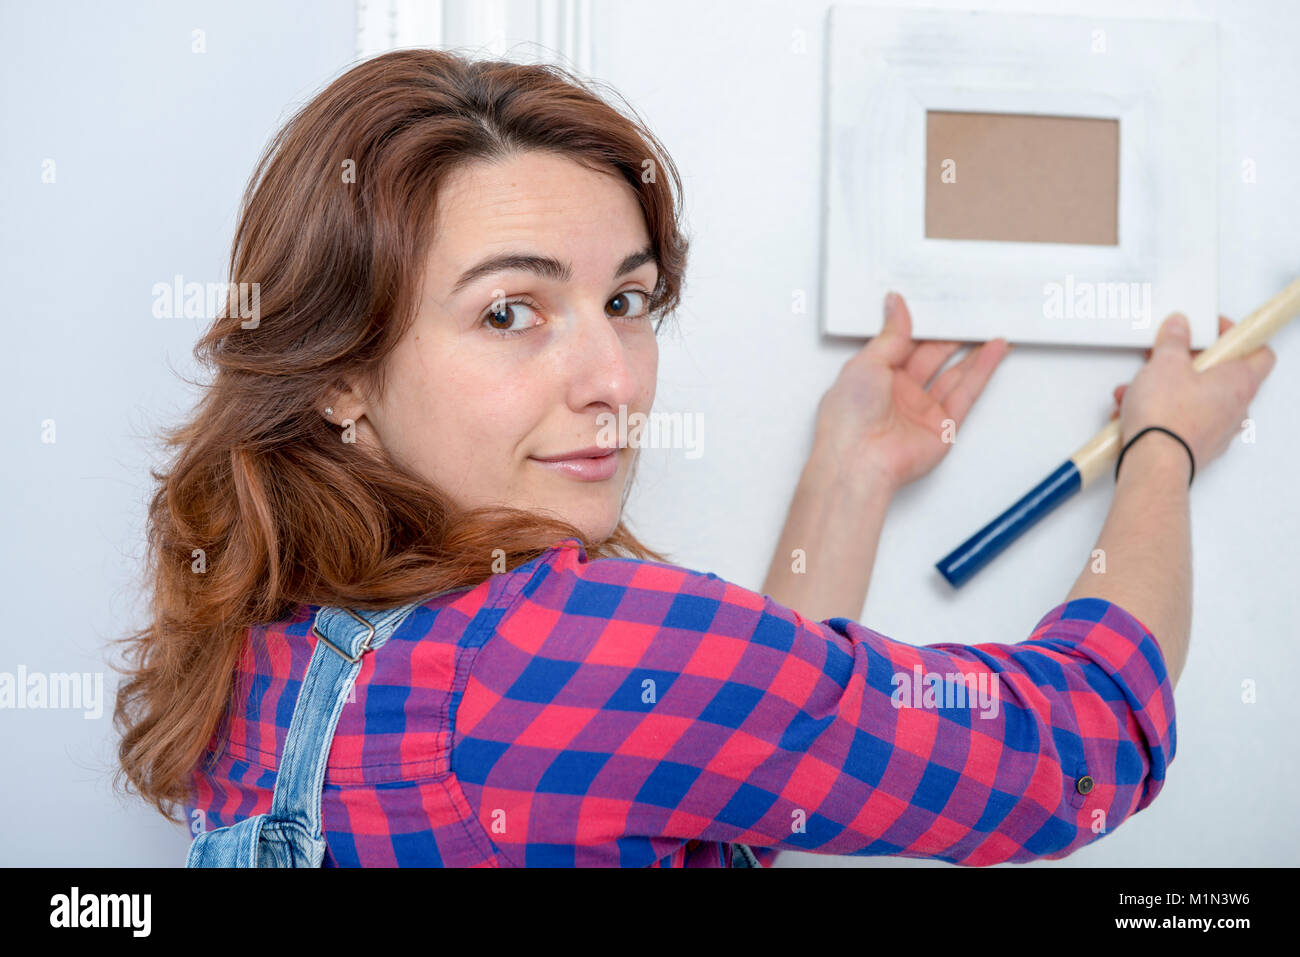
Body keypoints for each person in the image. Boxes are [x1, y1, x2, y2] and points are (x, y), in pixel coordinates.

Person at [111, 48, 1275, 867]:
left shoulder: (260, 643)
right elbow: (1070, 753)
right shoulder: (586, 648)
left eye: (625, 298)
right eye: (509, 312)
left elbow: (709, 782)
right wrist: (1161, 443)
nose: (613, 378)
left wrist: (847, 474)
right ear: (341, 373)